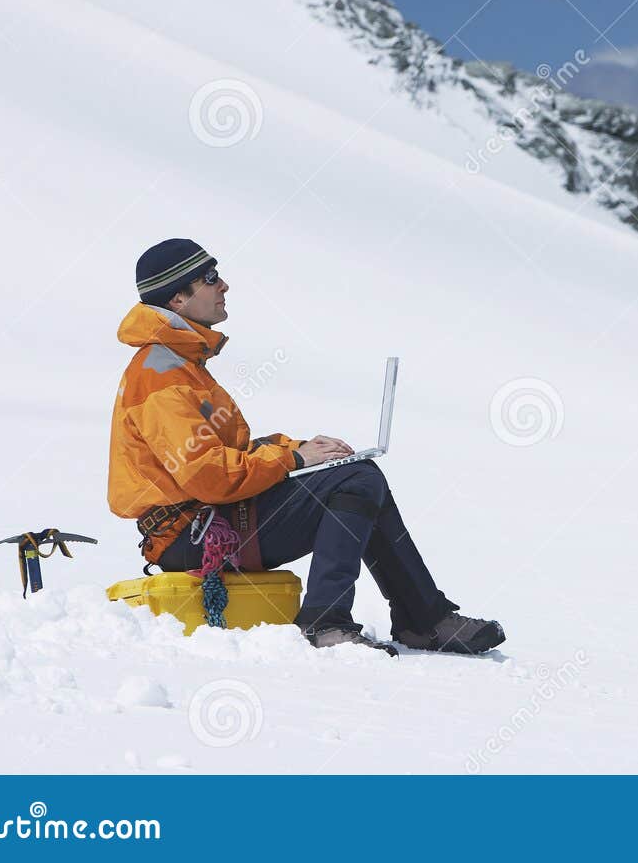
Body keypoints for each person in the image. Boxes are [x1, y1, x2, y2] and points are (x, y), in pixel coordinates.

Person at [106, 238, 504, 656]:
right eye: (210, 278)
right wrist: (294, 459)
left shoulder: (180, 366)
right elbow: (208, 475)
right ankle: (332, 623)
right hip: (192, 533)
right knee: (355, 479)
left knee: (358, 476)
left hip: (205, 520)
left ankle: (423, 620)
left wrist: (300, 448)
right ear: (178, 297)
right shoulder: (160, 376)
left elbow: (229, 451)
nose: (224, 285)